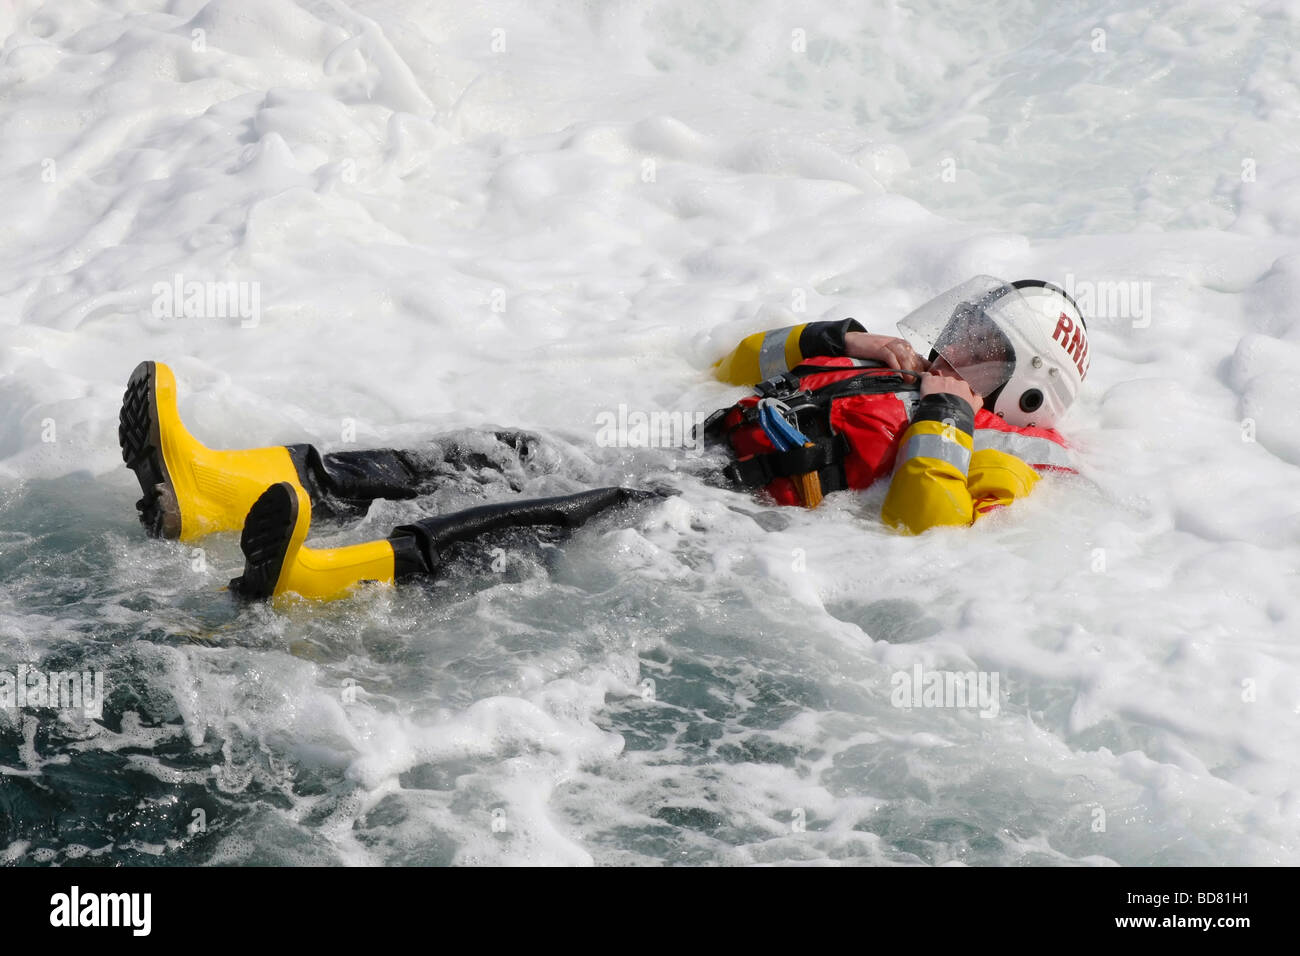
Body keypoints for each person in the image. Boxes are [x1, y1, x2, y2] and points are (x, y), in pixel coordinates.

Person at [119, 275, 1088, 604]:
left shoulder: (988, 445)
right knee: (472, 449)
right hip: (677, 461)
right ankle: (207, 490)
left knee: (524, 513)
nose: (953, 348)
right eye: (962, 326)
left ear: (1024, 383)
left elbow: (922, 522)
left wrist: (949, 413)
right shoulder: (888, 366)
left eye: (981, 348)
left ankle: (311, 587)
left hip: (726, 521)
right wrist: (837, 337)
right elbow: (736, 362)